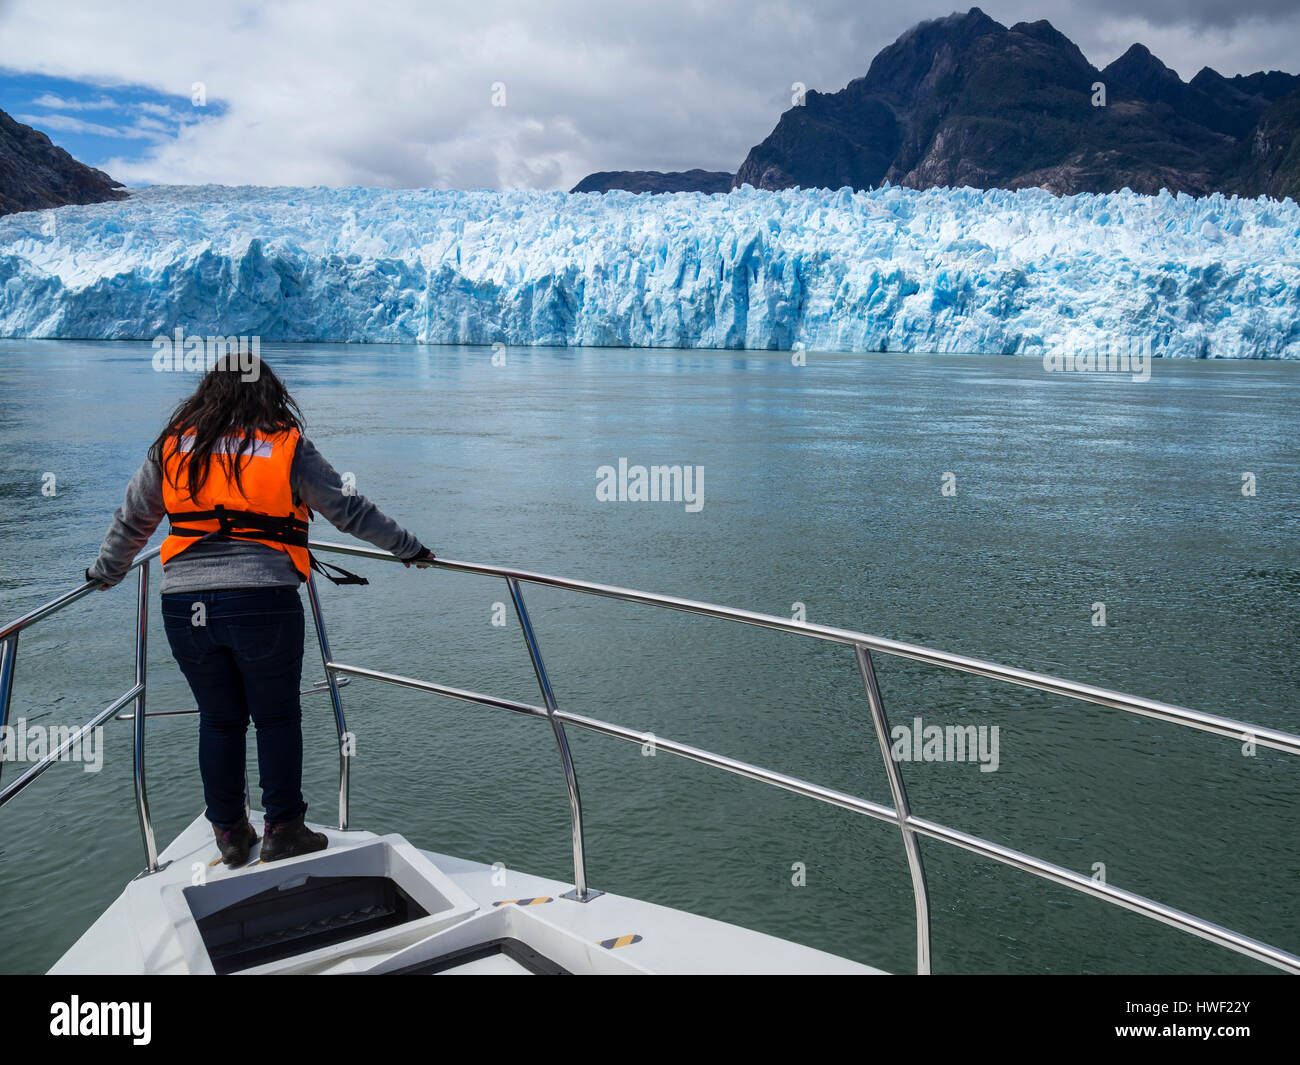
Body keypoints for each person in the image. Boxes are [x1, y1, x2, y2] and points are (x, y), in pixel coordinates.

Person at [85, 354, 434, 866]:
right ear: (269, 394)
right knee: (275, 717)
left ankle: (228, 834)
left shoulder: (173, 446)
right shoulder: (285, 446)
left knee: (220, 721)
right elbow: (349, 510)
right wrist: (408, 547)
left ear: (206, 395)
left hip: (185, 606)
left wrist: (107, 572)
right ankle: (283, 829)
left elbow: (133, 520)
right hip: (262, 600)